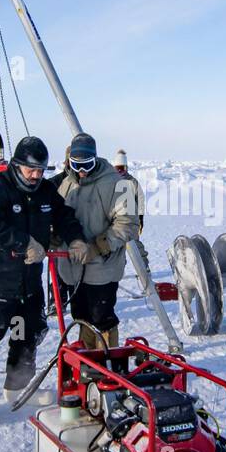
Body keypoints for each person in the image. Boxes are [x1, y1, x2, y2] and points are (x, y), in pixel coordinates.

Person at [0, 136, 89, 429]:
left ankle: (18, 384)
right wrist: (24, 242)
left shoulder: (45, 190)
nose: (36, 176)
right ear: (16, 165)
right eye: (31, 170)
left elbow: (64, 215)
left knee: (27, 334)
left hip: (27, 282)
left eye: (40, 170)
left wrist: (75, 238)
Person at [51, 133, 139, 349]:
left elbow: (129, 224)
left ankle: (107, 361)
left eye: (87, 165)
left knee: (101, 316)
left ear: (96, 159)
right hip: (72, 267)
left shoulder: (121, 185)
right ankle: (89, 363)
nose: (82, 171)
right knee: (80, 315)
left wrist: (98, 246)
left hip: (102, 268)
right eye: (76, 164)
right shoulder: (65, 185)